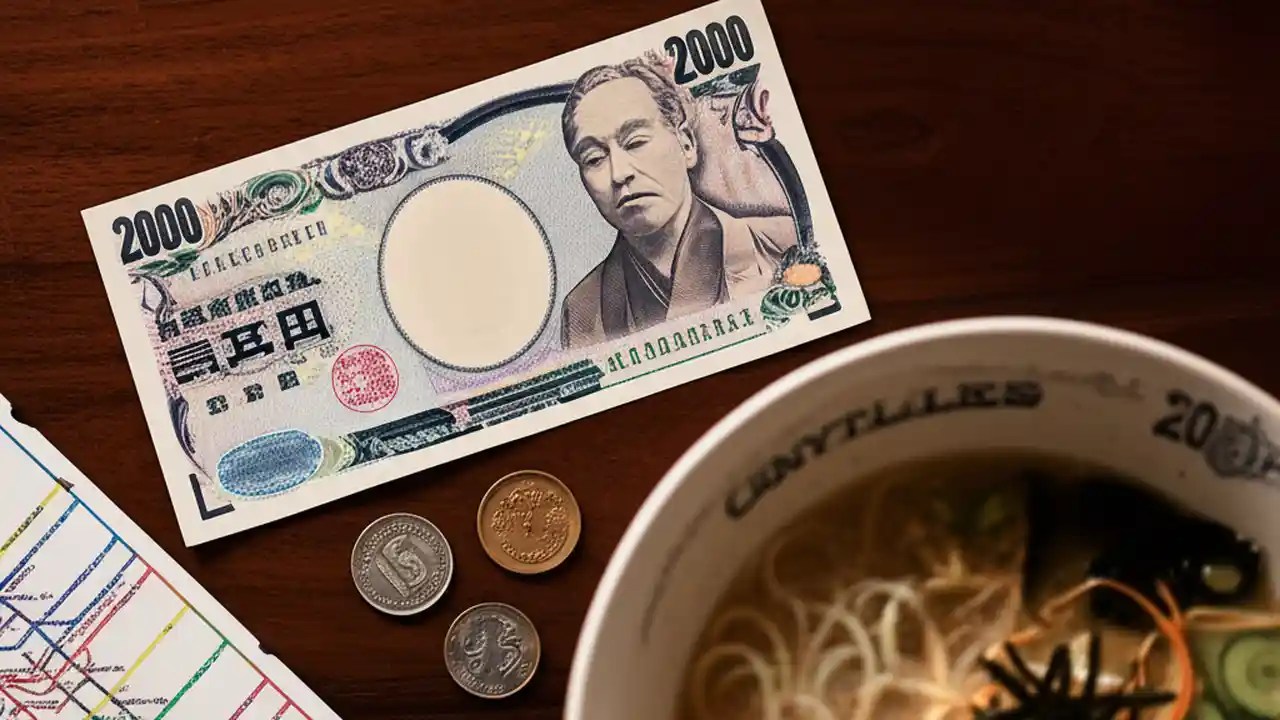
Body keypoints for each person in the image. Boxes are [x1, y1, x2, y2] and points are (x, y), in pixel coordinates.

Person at [559, 59, 798, 349]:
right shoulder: (582, 309)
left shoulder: (783, 243)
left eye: (635, 142)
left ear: (686, 144)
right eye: (594, 159)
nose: (619, 172)